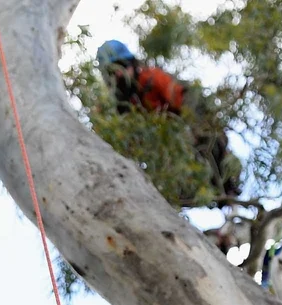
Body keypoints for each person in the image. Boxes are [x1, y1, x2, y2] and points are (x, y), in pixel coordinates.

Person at [95, 40, 242, 200]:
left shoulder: (152, 78)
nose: (117, 75)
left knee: (208, 145)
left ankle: (226, 188)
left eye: (120, 67)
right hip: (172, 159)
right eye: (111, 72)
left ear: (130, 63)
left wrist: (195, 130)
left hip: (193, 139)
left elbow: (187, 102)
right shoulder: (121, 106)